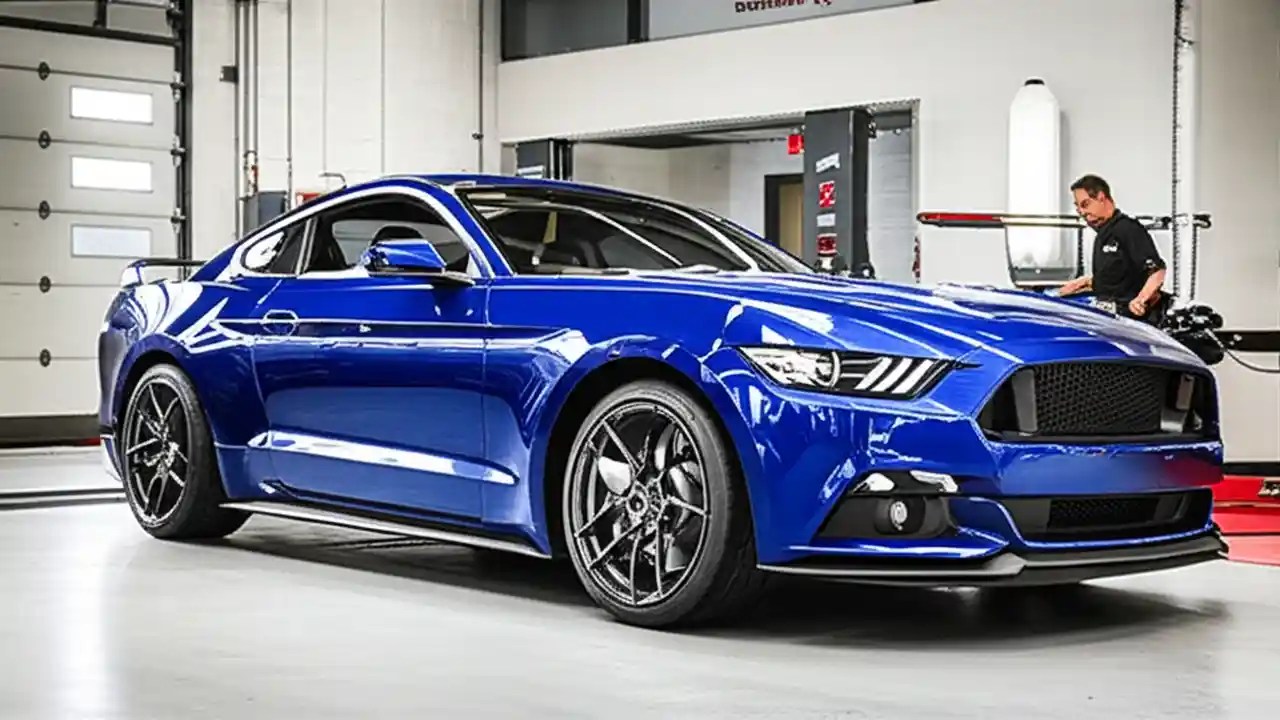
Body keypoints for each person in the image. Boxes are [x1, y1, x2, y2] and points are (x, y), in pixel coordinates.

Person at [1058, 174, 1168, 323]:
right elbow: (1116, 275)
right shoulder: (1103, 234)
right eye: (1078, 208)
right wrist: (1082, 283)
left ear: (1101, 197)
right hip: (1106, 314)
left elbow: (1157, 271)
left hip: (1127, 318)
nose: (1082, 212)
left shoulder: (1128, 229)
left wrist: (1140, 300)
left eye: (1085, 204)